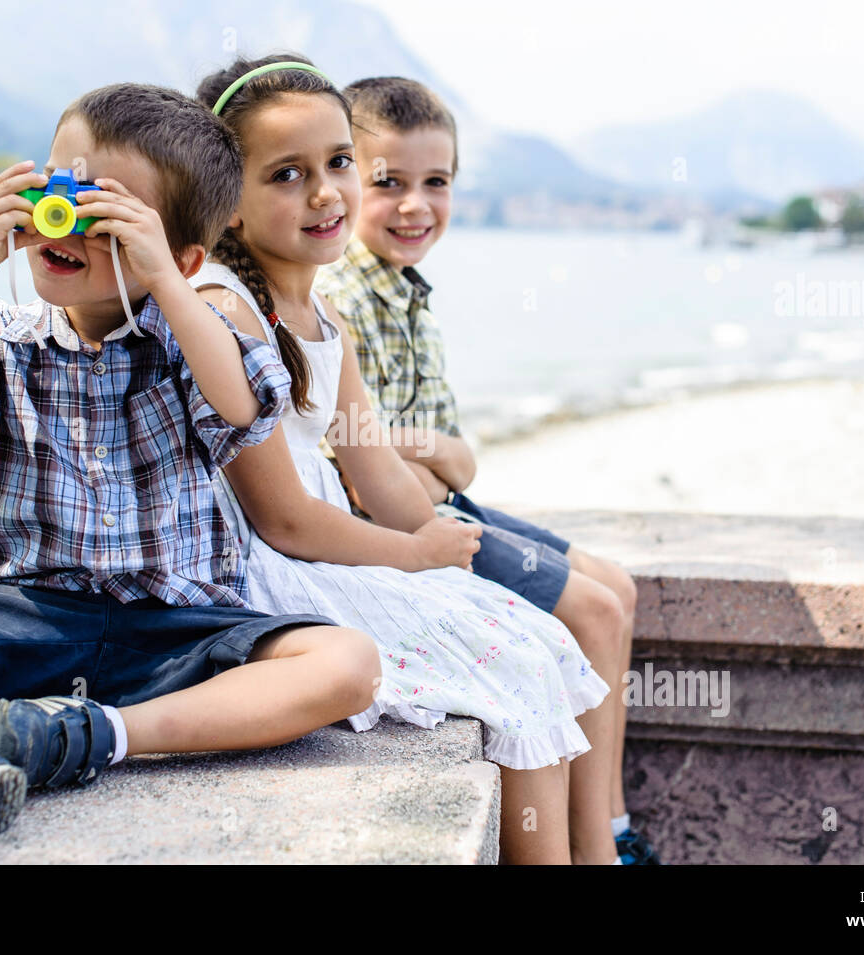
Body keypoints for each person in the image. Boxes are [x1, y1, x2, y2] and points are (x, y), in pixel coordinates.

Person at [0, 83, 379, 865]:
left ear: (183, 256)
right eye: (57, 189)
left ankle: (99, 734)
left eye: (108, 213)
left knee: (349, 663)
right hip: (24, 620)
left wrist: (167, 281)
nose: (63, 220)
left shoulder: (190, 339)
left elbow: (242, 409)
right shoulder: (2, 336)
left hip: (172, 634)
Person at [192, 54, 617, 865]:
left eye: (339, 164)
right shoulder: (227, 311)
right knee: (521, 664)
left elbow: (377, 470)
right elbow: (281, 517)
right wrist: (411, 553)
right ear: (228, 204)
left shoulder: (324, 318)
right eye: (287, 174)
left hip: (330, 550)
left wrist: (439, 543)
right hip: (267, 571)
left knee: (544, 643)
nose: (325, 193)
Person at [315, 76, 659, 864]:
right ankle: (596, 846)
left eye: (436, 183)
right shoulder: (341, 293)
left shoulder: (408, 293)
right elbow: (356, 460)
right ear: (345, 182)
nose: (415, 206)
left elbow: (458, 455)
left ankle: (611, 820)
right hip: (396, 527)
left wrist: (429, 451)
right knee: (594, 613)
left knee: (619, 588)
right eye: (388, 183)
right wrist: (431, 453)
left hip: (443, 499)